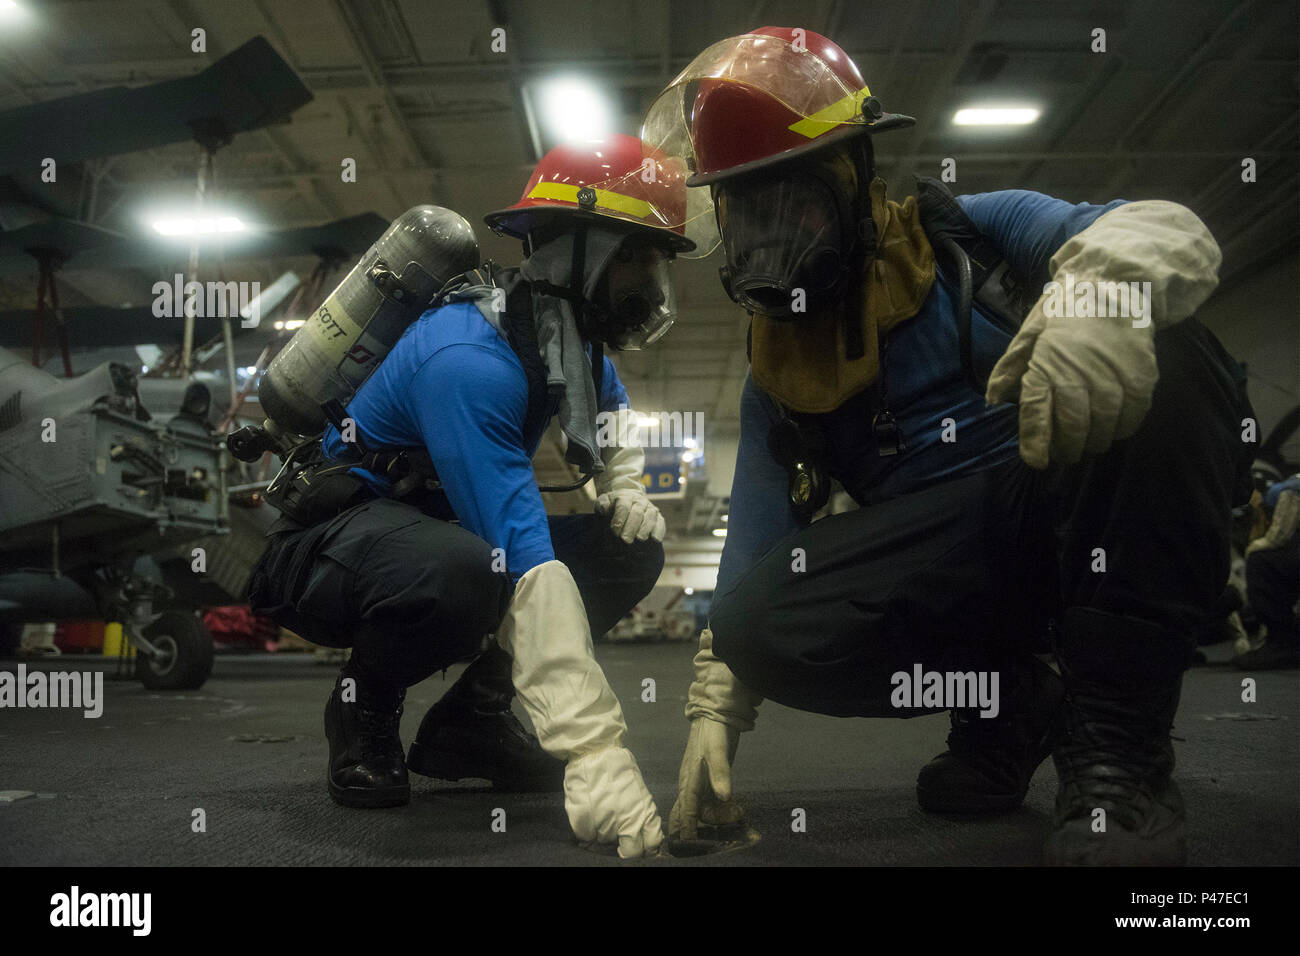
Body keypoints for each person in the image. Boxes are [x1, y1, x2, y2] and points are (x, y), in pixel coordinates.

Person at [646, 27, 1255, 865]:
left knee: (1165, 340)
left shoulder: (970, 234)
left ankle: (1120, 749)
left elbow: (1166, 231)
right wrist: (714, 717)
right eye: (749, 216)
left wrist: (1097, 297)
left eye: (798, 206)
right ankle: (1013, 700)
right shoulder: (777, 376)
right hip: (967, 567)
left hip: (1081, 512)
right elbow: (753, 559)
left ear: (857, 181)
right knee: (759, 624)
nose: (773, 246)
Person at [249, 133, 693, 858]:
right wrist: (593, 748)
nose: (650, 279)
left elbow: (612, 422)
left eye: (657, 259)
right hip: (329, 546)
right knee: (463, 571)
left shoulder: (569, 344)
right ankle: (362, 713)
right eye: (635, 255)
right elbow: (524, 558)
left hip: (436, 533)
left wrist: (623, 486)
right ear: (572, 252)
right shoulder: (469, 357)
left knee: (625, 549)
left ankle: (473, 724)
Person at [1235, 473, 1300, 668]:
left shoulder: (1285, 490)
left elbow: (1277, 537)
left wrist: (1252, 549)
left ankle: (1282, 641)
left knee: (1260, 560)